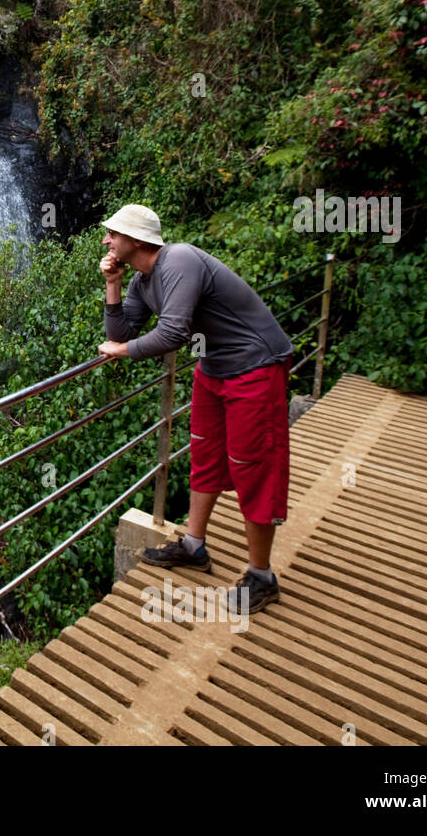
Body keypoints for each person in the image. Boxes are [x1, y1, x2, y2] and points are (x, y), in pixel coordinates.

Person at [96, 204, 293, 614]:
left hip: (256, 366)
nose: (107, 240)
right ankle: (193, 545)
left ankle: (261, 577)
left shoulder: (179, 259)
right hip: (215, 369)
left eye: (112, 234)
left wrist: (124, 351)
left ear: (135, 240)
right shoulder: (141, 280)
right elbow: (121, 331)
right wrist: (112, 284)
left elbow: (173, 332)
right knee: (204, 453)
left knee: (252, 465)